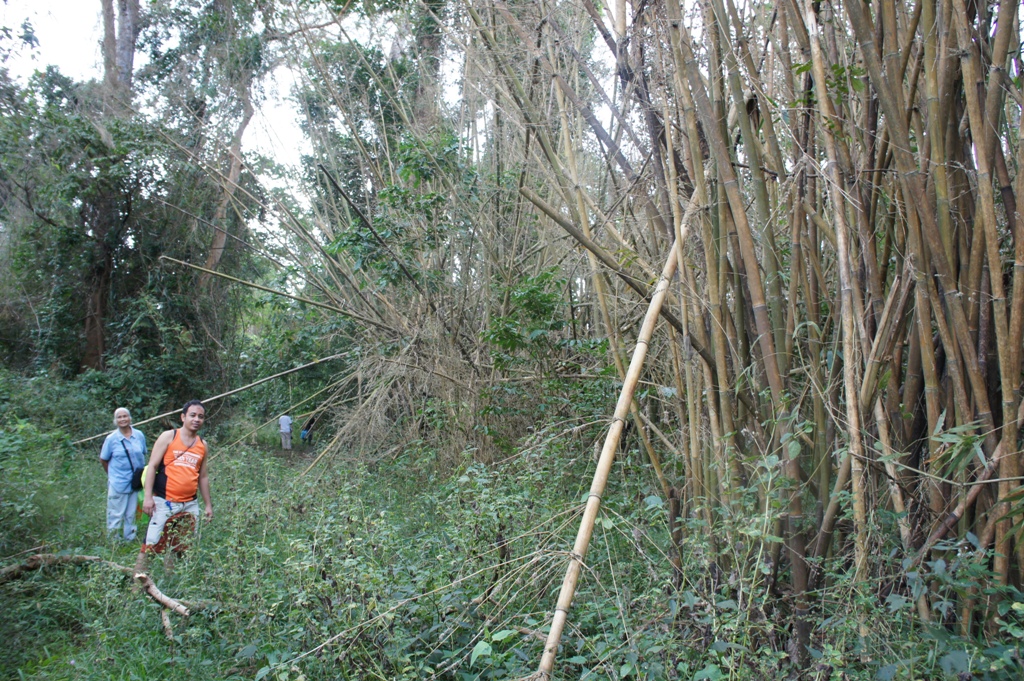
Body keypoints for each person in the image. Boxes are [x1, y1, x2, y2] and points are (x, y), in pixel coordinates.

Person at [136, 400, 212, 569]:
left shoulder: (202, 445)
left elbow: (203, 476)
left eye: (200, 417)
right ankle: (138, 581)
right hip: (165, 501)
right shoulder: (169, 437)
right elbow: (152, 466)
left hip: (189, 504)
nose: (196, 419)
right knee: (150, 545)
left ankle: (170, 579)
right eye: (192, 415)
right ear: (183, 417)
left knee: (181, 546)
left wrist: (208, 505)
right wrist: (148, 497)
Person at [99, 408, 146, 542]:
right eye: (119, 417)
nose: (123, 419)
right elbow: (103, 459)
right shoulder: (111, 439)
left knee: (131, 513)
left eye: (125, 416)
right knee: (116, 513)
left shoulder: (139, 435)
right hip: (118, 482)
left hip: (135, 481)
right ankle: (113, 541)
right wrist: (112, 475)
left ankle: (130, 539)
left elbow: (143, 453)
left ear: (130, 418)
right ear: (115, 421)